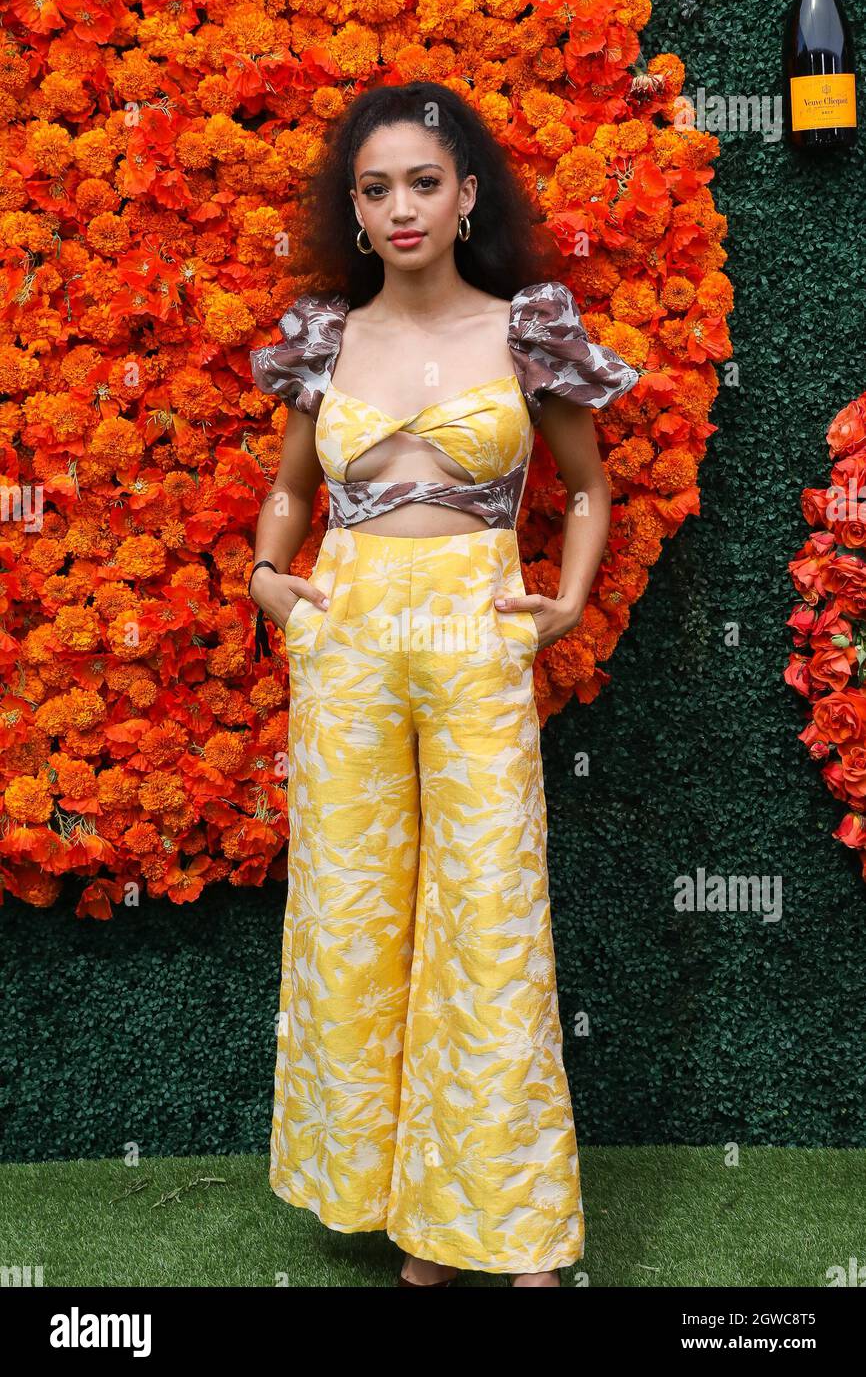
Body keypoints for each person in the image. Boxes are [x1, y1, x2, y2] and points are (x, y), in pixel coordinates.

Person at [248, 82, 639, 1288]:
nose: (401, 205)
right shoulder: (327, 337)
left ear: (466, 195)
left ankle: (508, 1228)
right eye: (376, 188)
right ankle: (406, 1215)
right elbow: (290, 494)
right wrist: (271, 580)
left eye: (423, 181)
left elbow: (585, 489)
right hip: (350, 632)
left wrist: (563, 605)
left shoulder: (526, 329)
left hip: (476, 631)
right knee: (353, 914)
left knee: (489, 912)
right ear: (354, 211)